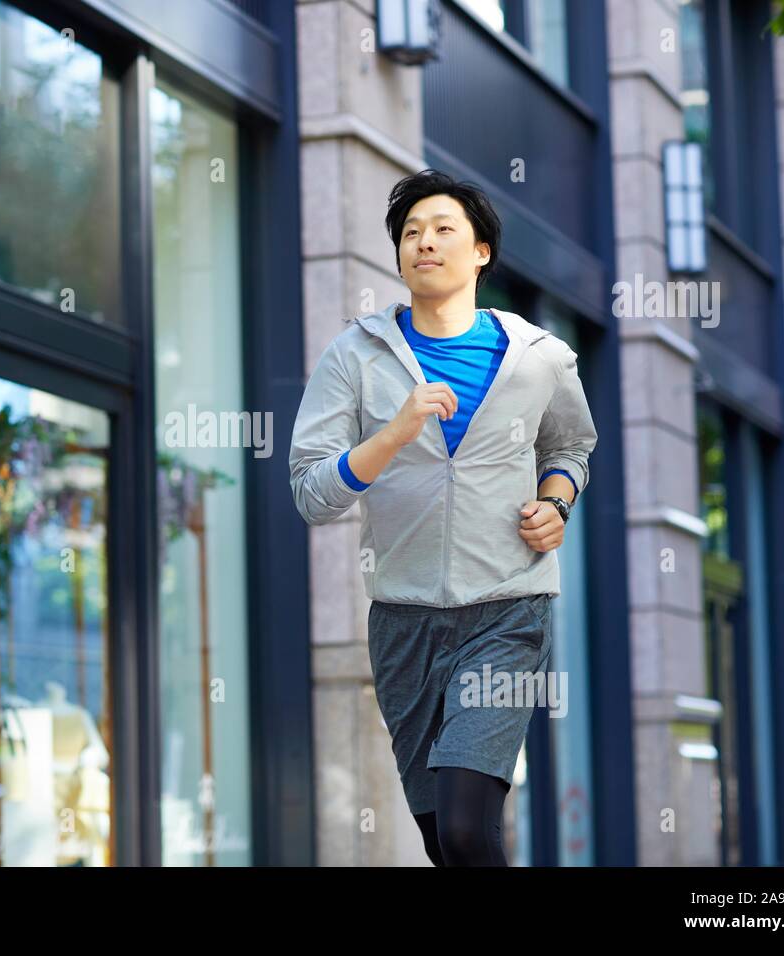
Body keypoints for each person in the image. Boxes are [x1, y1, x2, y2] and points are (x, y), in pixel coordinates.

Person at [288, 169, 598, 865]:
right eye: (410, 233)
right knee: (442, 842)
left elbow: (571, 444)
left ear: (481, 250)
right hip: (402, 622)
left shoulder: (539, 358)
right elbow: (311, 492)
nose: (423, 242)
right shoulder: (354, 357)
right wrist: (392, 435)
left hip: (508, 611)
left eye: (442, 229)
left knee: (465, 827)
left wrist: (556, 500)